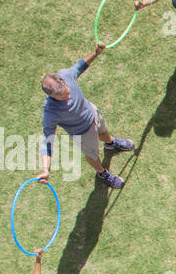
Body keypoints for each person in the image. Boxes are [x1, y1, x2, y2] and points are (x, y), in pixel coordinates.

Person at [38, 42, 134, 189]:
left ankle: (111, 144)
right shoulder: (51, 112)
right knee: (93, 154)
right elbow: (47, 141)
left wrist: (96, 53)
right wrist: (45, 169)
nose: (68, 96)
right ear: (51, 96)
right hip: (82, 134)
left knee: (104, 132)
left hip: (92, 112)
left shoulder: (65, 75)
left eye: (66, 91)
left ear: (62, 81)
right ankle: (102, 173)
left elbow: (80, 66)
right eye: (62, 97)